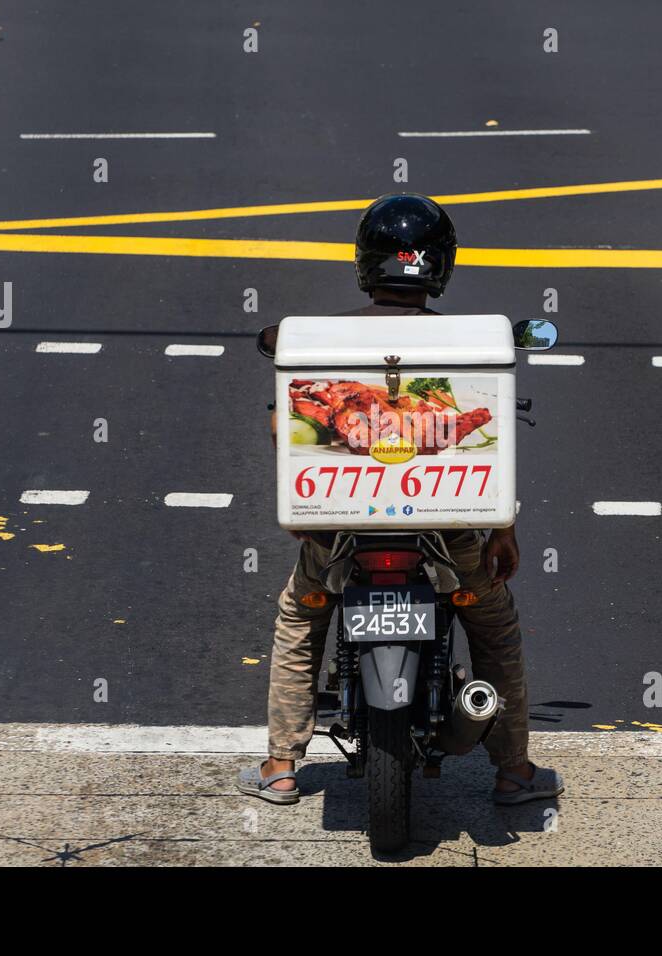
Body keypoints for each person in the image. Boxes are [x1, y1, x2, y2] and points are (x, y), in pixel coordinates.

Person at [238, 194, 564, 808]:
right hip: (446, 529)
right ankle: (514, 771)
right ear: (439, 267)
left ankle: (281, 766)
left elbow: (284, 430)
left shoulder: (322, 338)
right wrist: (503, 530)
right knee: (492, 624)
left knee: (302, 617)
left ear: (366, 262)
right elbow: (487, 455)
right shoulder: (472, 339)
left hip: (338, 534)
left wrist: (308, 508)